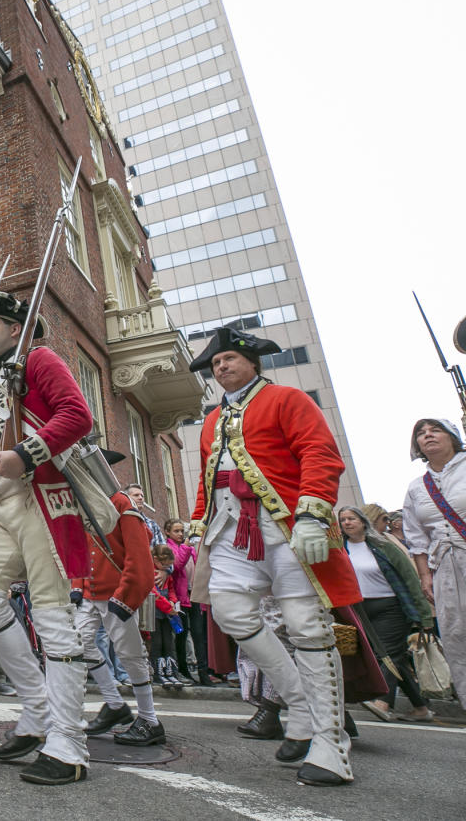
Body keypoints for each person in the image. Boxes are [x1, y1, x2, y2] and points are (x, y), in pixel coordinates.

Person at [187, 325, 361, 787]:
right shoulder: (210, 420)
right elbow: (209, 480)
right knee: (229, 612)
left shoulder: (287, 400)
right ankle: (299, 705)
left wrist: (311, 514)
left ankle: (330, 742)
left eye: (228, 359)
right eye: (215, 362)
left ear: (252, 361)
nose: (221, 366)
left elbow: (320, 454)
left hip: (283, 525)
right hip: (231, 531)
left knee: (307, 627)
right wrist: (198, 522)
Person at [0, 290, 94, 786]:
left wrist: (29, 454)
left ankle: (69, 741)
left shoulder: (40, 359)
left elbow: (78, 417)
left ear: (17, 327)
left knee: (54, 617)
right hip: (1, 505)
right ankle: (37, 710)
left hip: (42, 497)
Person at [75, 486, 161, 746]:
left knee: (130, 653)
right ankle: (114, 704)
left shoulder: (122, 503)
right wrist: (77, 585)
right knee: (80, 643)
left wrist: (125, 595)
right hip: (90, 592)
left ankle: (150, 719)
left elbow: (138, 553)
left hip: (116, 592)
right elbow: (82, 546)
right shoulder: (85, 499)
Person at [338, 506, 435, 722]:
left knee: (388, 654)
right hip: (359, 609)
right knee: (393, 659)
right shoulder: (340, 550)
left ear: (363, 521)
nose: (346, 523)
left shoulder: (383, 546)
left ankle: (383, 702)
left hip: (390, 608)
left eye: (351, 518)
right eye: (342, 519)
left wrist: (424, 616)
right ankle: (421, 707)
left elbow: (409, 578)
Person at [402, 417, 466, 710]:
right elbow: (416, 537)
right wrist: (425, 576)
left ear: (452, 436)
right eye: (421, 433)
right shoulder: (417, 487)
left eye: (435, 430)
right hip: (445, 567)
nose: (427, 436)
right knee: (456, 634)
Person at [164, 517, 208, 684]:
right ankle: (183, 670)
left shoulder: (188, 548)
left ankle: (203, 672)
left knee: (198, 634)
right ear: (168, 532)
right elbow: (176, 566)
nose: (180, 534)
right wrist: (186, 547)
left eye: (182, 531)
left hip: (194, 595)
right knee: (181, 636)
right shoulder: (170, 548)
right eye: (176, 531)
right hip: (179, 598)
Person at [148, 543, 185, 687]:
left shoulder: (166, 575)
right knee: (156, 643)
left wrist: (173, 601)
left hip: (167, 613)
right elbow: (153, 593)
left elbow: (171, 589)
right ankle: (158, 672)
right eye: (164, 565)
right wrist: (167, 606)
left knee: (169, 642)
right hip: (155, 613)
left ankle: (171, 671)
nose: (166, 568)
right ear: (156, 560)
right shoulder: (149, 572)